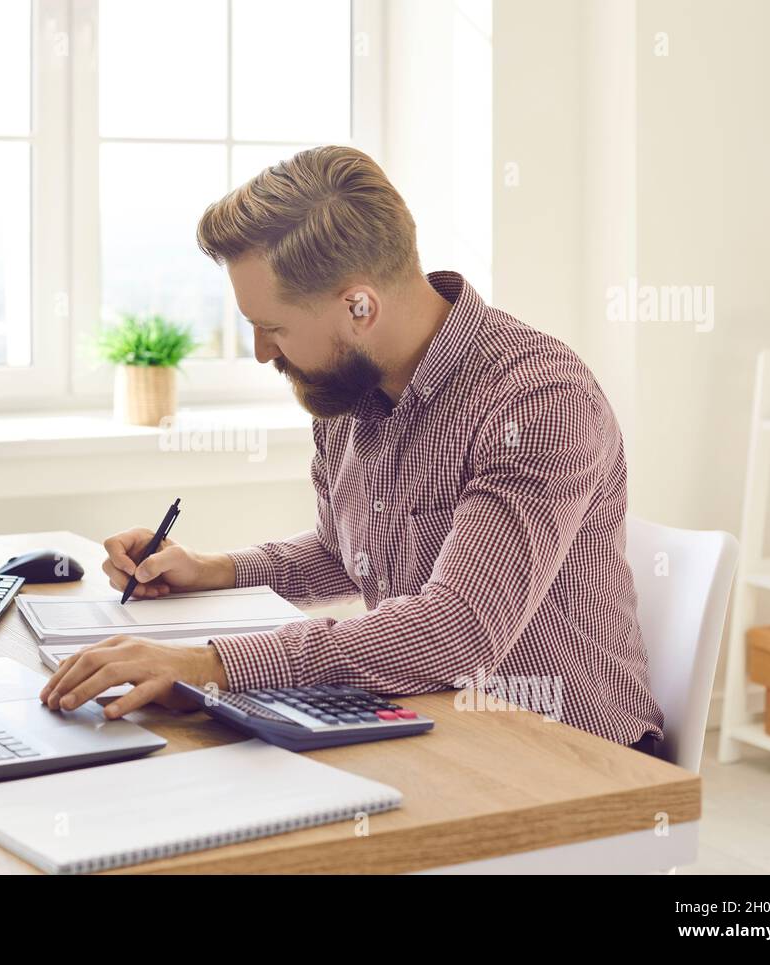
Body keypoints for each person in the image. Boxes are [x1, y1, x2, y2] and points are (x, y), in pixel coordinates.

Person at [40, 145, 663, 750]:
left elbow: (458, 627)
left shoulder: (538, 400)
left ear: (359, 305)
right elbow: (350, 554)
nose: (262, 352)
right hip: (431, 712)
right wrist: (211, 570)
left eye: (274, 327)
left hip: (568, 748)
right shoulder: (349, 384)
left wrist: (208, 665)